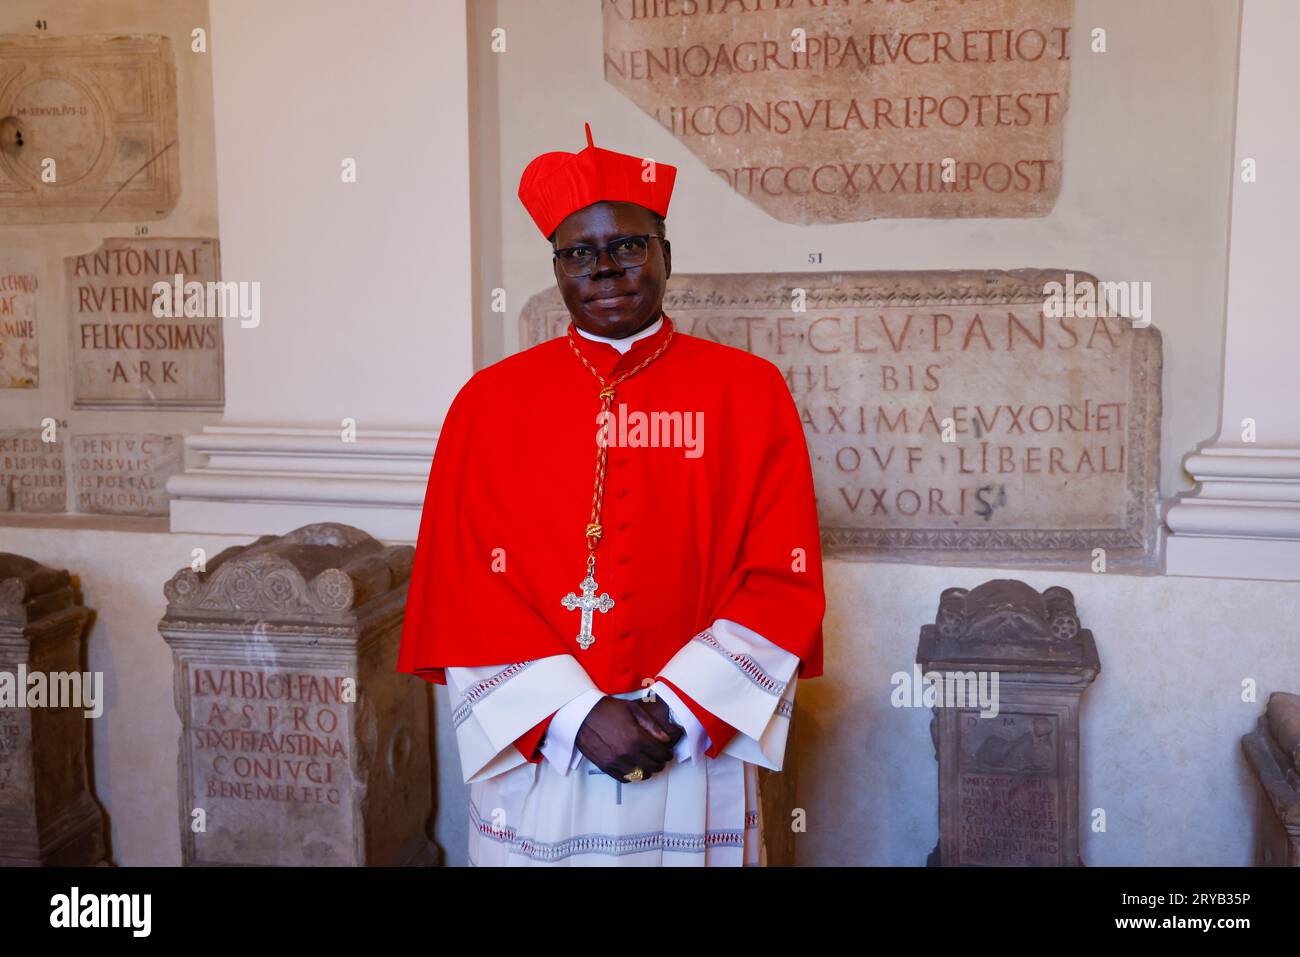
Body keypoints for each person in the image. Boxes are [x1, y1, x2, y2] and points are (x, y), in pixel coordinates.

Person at [397, 122, 825, 866]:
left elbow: (781, 576)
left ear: (666, 254)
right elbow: (462, 583)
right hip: (548, 750)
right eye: (579, 253)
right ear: (558, 268)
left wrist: (681, 708)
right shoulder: (488, 403)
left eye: (629, 246)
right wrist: (576, 714)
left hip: (694, 743)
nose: (606, 269)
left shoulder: (748, 393)